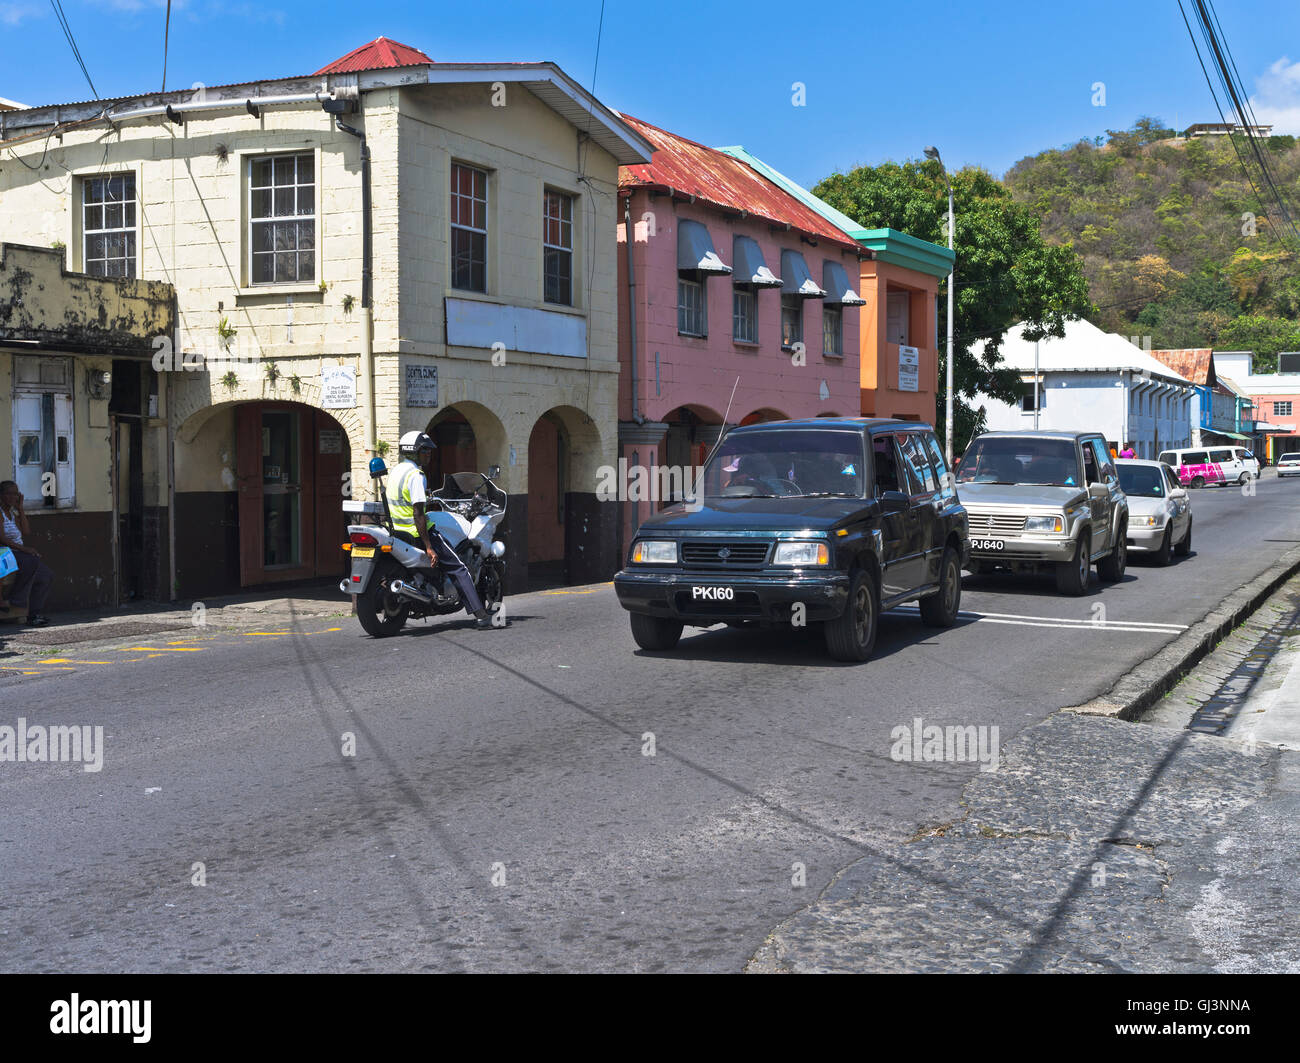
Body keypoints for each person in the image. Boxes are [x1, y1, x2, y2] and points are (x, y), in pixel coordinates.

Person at [386, 432, 501, 629]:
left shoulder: (397, 471)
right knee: (459, 568)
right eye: (425, 451)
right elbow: (418, 514)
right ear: (415, 452)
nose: (429, 455)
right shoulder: (416, 475)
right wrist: (429, 546)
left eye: (429, 451)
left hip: (398, 531)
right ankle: (481, 615)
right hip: (417, 533)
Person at [0, 480, 53, 627]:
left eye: (15, 494)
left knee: (46, 576)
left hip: (20, 553)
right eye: (9, 494)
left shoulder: (12, 513)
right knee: (31, 561)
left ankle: (34, 614)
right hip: (7, 553)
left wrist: (21, 509)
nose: (13, 497)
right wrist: (26, 550)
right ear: (1, 495)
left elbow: (26, 531)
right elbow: (2, 539)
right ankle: (16, 600)